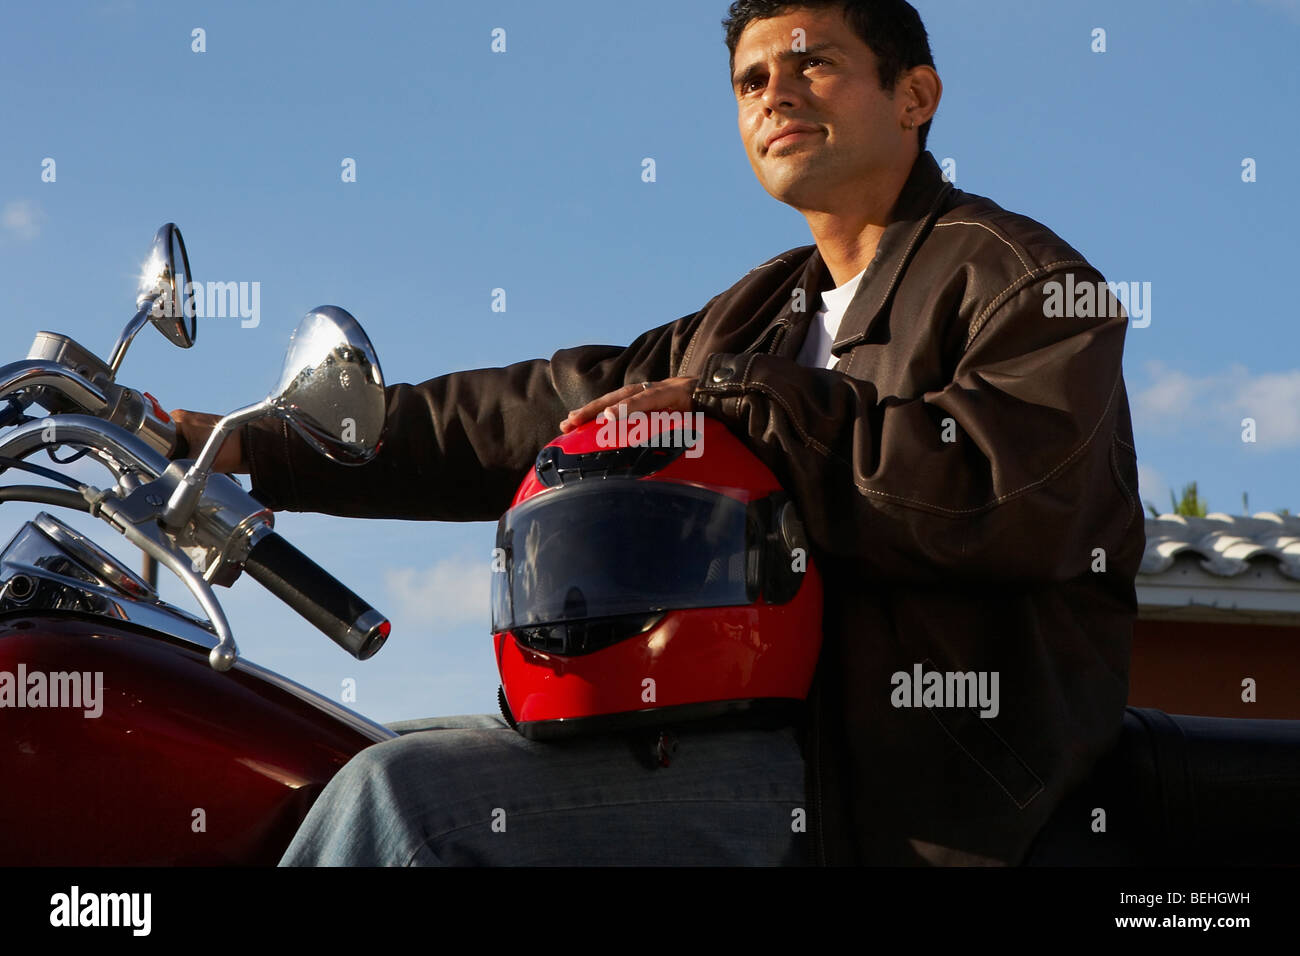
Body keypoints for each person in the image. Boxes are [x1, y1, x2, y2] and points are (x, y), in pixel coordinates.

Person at [171, 0, 1144, 866]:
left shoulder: (1022, 283)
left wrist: (735, 395)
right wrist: (255, 442)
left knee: (409, 804)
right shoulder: (755, 312)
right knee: (345, 754)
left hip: (896, 780)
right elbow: (517, 418)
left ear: (914, 94)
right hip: (700, 728)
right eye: (751, 79)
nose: (776, 95)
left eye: (814, 64)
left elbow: (1000, 496)